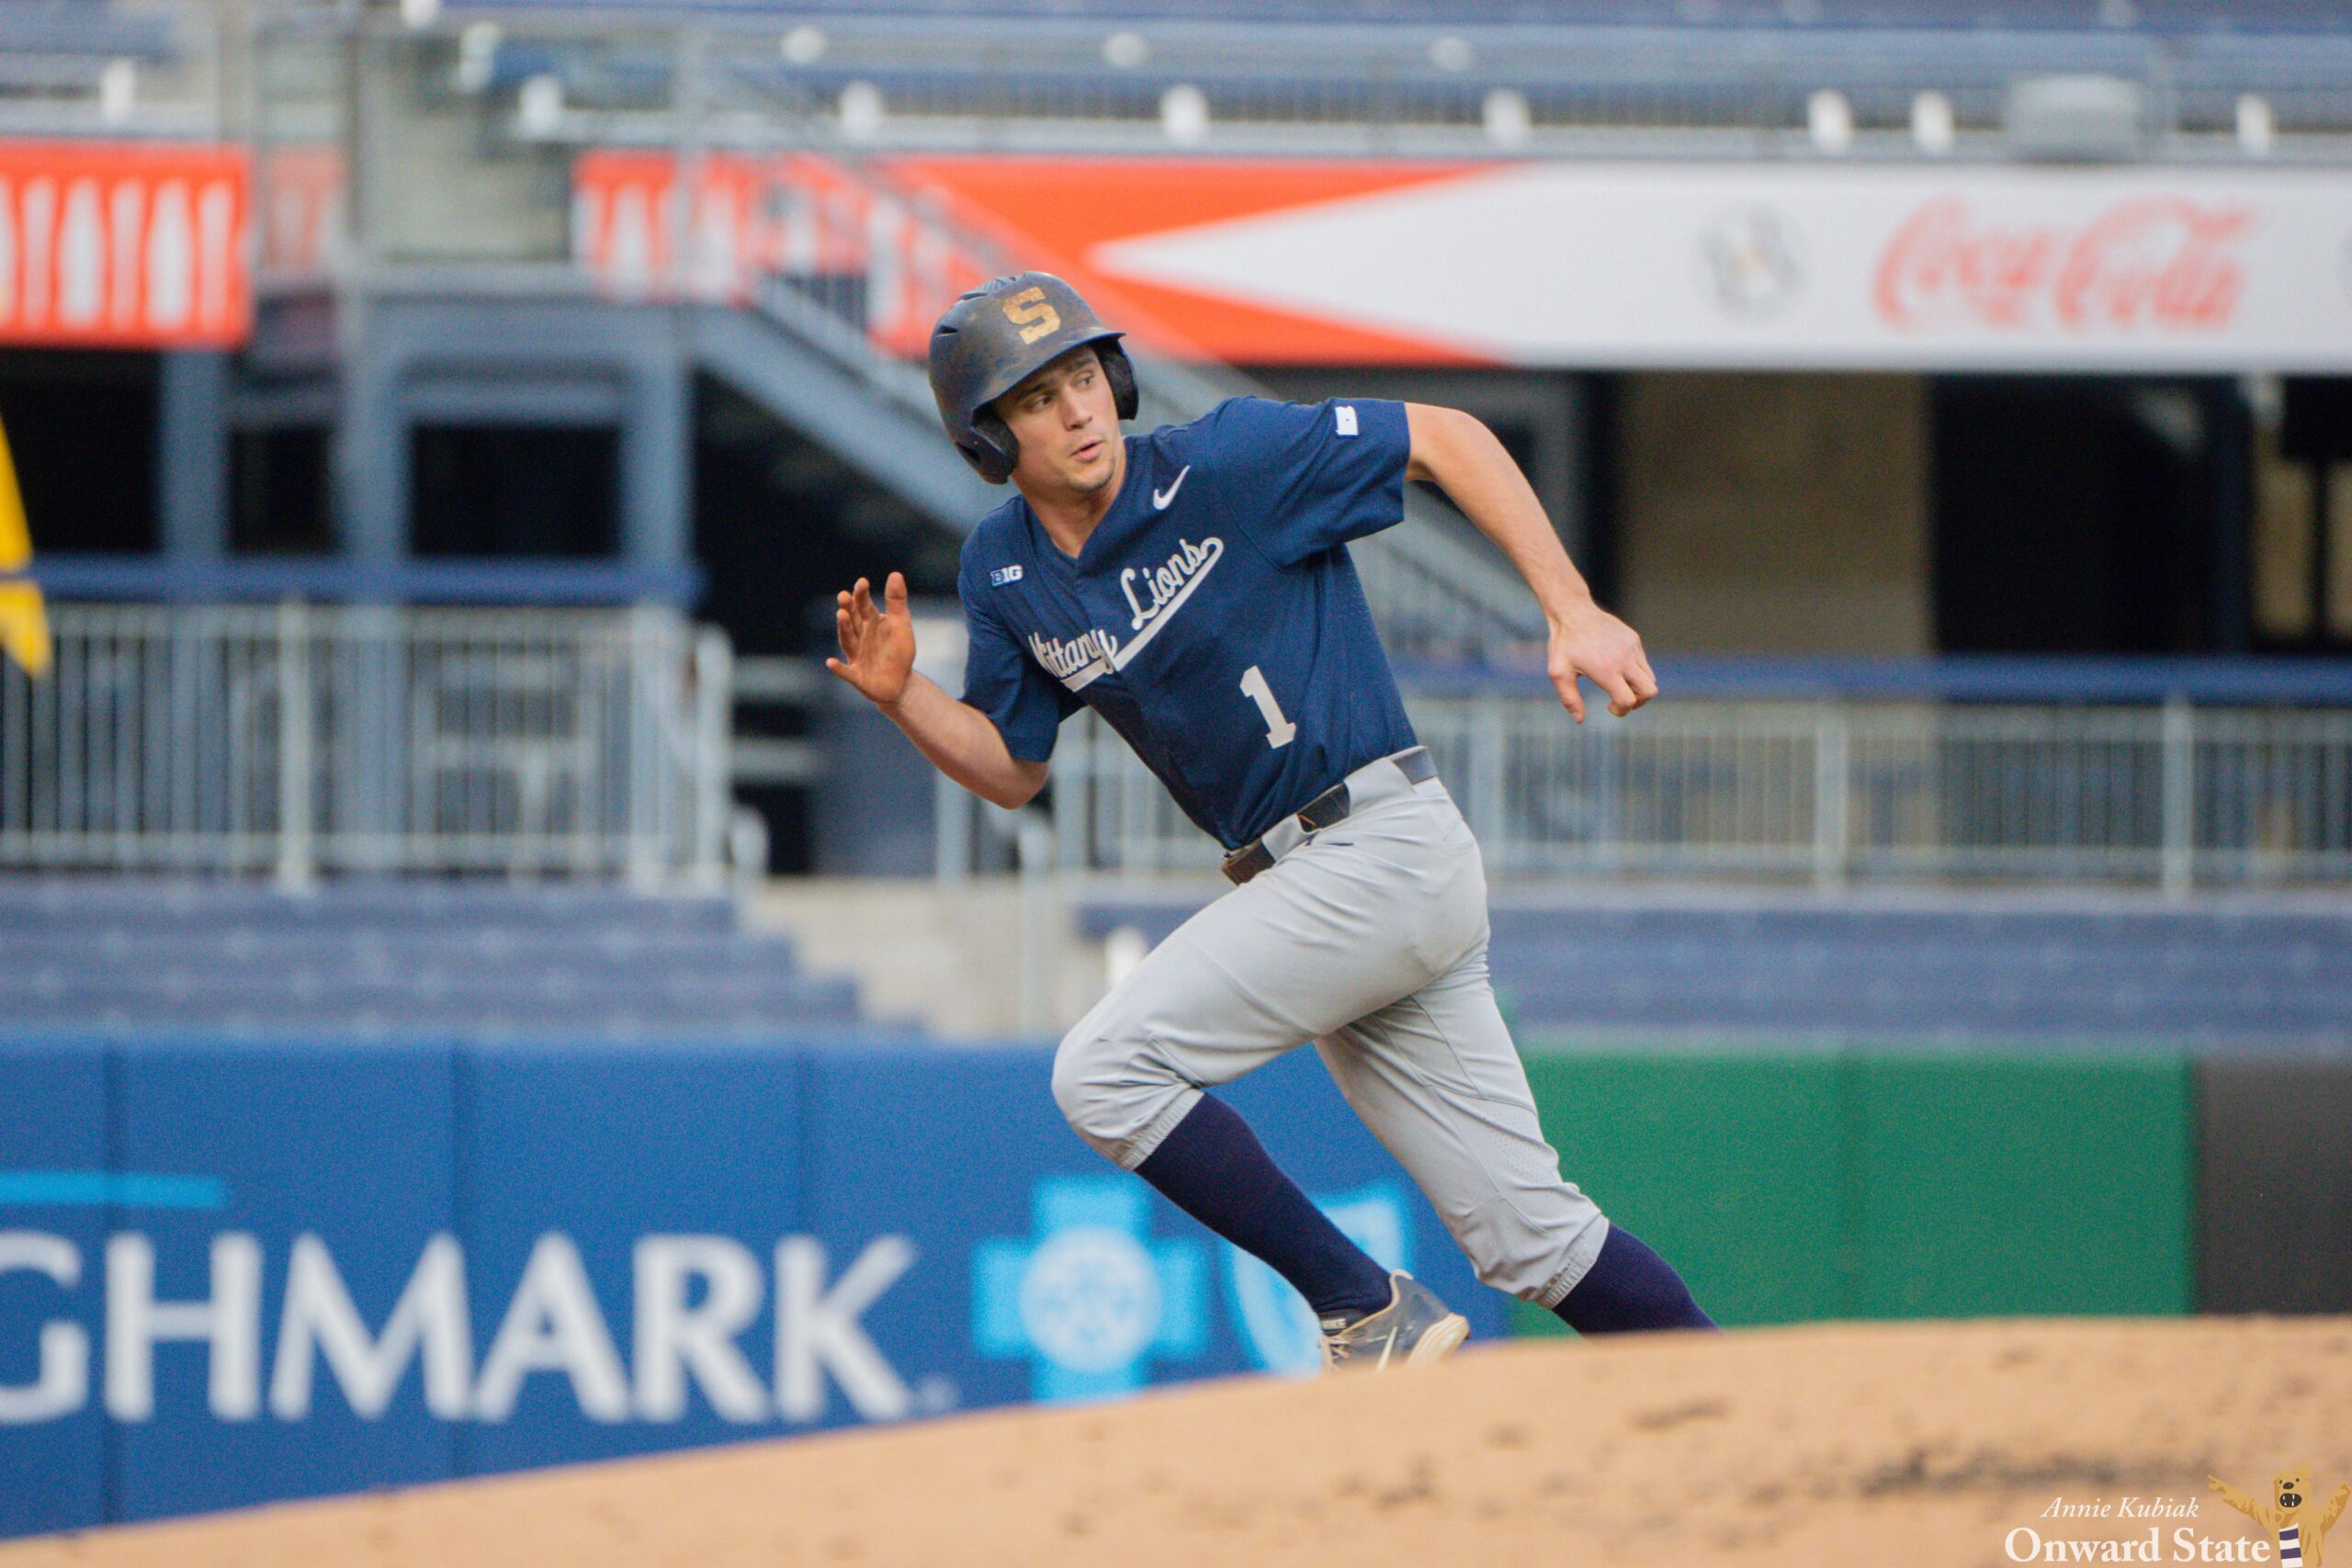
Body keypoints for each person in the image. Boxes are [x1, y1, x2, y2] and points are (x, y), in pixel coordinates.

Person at [827, 273, 1714, 1370]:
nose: (1078, 409)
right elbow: (1012, 767)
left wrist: (1570, 607)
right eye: (1036, 396)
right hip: (1320, 889)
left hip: (1379, 843)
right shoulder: (1003, 572)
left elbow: (1447, 438)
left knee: (1102, 1070)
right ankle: (1749, 1409)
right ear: (987, 438)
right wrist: (906, 694)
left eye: (1084, 376)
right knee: (1532, 1241)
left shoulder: (1227, 464)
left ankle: (1360, 1306)